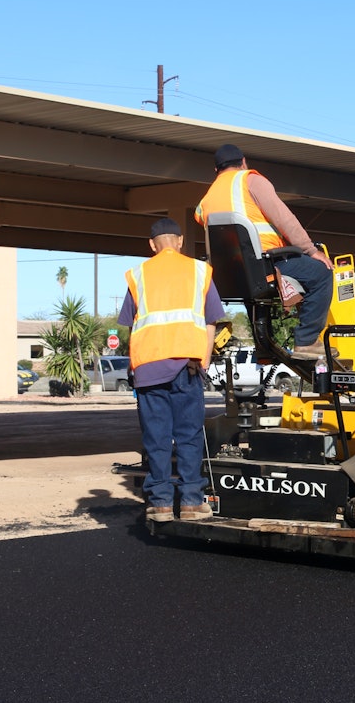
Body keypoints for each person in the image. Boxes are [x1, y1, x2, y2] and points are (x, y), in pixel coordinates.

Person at [118, 217, 226, 523]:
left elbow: (132, 326)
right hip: (187, 366)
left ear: (152, 245)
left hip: (149, 367)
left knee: (157, 438)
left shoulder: (138, 274)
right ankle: (191, 502)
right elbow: (211, 321)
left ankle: (161, 505)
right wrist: (204, 360)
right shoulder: (199, 271)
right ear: (180, 241)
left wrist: (135, 364)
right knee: (189, 435)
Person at [194, 143, 334, 360]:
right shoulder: (250, 180)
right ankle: (306, 341)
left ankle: (263, 347)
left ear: (216, 170)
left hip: (230, 273)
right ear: (243, 162)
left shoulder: (207, 198)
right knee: (321, 273)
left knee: (253, 290)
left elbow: (201, 219)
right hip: (266, 262)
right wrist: (310, 249)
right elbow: (284, 218)